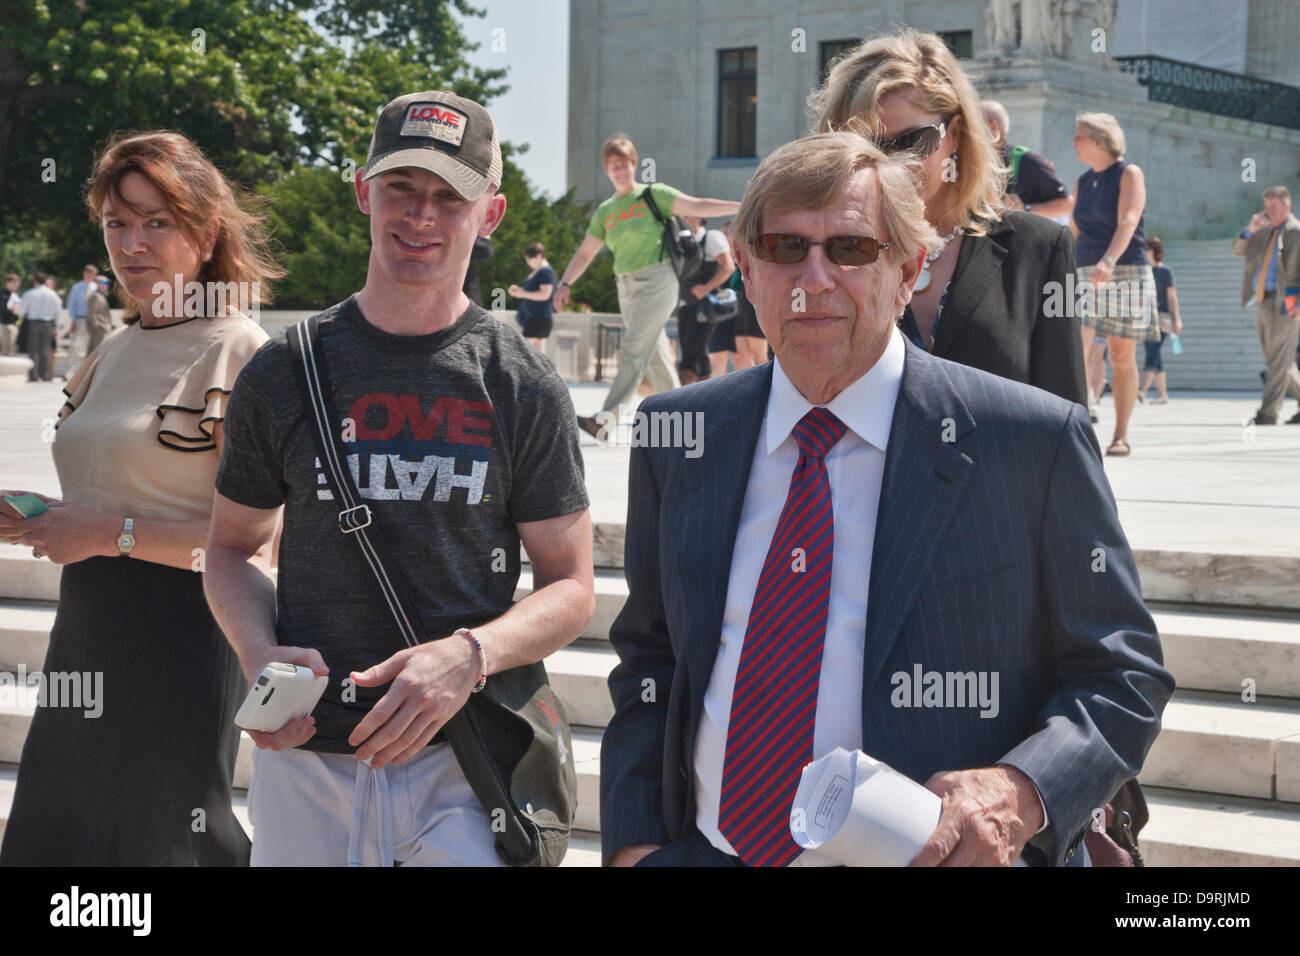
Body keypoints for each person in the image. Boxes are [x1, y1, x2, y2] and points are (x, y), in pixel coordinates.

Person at [600, 132, 1172, 868]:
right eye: (783, 248)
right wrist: (637, 848)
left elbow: (1121, 670)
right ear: (743, 270)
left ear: (908, 272)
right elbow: (650, 657)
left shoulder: (1030, 440)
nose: (814, 277)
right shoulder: (678, 436)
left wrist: (1020, 789)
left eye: (850, 249)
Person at [204, 90, 595, 866]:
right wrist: (258, 654)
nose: (421, 216)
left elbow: (571, 584)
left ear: (491, 215)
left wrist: (471, 655)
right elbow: (231, 548)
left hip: (465, 764)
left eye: (451, 197)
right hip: (307, 756)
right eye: (402, 189)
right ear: (363, 191)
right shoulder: (285, 370)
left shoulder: (520, 380)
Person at [0, 129, 280, 866]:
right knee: (53, 837)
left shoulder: (241, 348)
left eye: (157, 221)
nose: (133, 243)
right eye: (116, 223)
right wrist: (38, 514)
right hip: (86, 626)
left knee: (165, 844)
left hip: (185, 634)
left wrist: (109, 533)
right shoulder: (114, 346)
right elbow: (105, 483)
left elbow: (261, 545)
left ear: (206, 229)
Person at [811, 29, 1086, 407]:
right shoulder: (815, 253)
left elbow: (1066, 418)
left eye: (912, 142)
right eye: (866, 146)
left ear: (955, 134)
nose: (891, 163)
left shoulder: (1041, 248)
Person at [553, 134, 739, 437]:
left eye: (624, 165)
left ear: (634, 165)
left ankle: (606, 422)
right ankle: (687, 420)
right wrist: (564, 283)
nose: (619, 171)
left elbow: (698, 205)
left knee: (633, 351)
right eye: (613, 166)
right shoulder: (606, 211)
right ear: (606, 169)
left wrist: (741, 205)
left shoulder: (654, 195)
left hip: (658, 282)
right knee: (655, 356)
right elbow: (585, 252)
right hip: (625, 286)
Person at [1070, 111, 1160, 455]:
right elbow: (1074, 230)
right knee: (1074, 346)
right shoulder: (1082, 181)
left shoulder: (1129, 173)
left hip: (1123, 269)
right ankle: (1076, 425)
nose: (1074, 142)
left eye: (1079, 136)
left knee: (1122, 356)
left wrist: (1109, 259)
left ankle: (1120, 435)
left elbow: (1129, 219)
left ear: (1099, 140)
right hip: (1083, 270)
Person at [1232, 186, 1300, 425]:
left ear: (1287, 206)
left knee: (1276, 362)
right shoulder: (1265, 231)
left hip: (1287, 303)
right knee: (1278, 360)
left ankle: (1268, 412)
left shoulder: (1295, 231)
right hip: (1262, 300)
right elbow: (1238, 249)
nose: (1268, 212)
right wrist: (1251, 230)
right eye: (1266, 207)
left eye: (1274, 207)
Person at [981, 100, 1075, 224]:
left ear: (993, 128)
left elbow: (1067, 205)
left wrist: (1026, 209)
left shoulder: (1028, 162)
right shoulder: (966, 163)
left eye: (970, 126)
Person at [676, 217, 735, 384]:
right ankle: (706, 396)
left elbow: (728, 266)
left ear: (700, 217)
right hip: (685, 304)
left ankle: (679, 402)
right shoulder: (683, 240)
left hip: (705, 306)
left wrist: (706, 287)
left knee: (689, 356)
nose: (683, 217)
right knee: (699, 356)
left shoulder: (712, 237)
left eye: (688, 213)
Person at [1140, 237, 1182, 404]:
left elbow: (1172, 297)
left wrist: (1177, 319)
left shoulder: (1165, 272)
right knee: (1155, 356)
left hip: (1162, 318)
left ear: (1152, 251)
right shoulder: (1142, 270)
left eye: (1145, 249)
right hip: (1145, 318)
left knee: (1153, 352)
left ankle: (1142, 390)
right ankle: (1162, 395)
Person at [708, 269, 768, 378]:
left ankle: (772, 386)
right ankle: (747, 390)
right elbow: (735, 283)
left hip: (757, 300)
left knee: (759, 354)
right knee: (742, 355)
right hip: (742, 301)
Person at [508, 240, 556, 350]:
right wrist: (518, 291)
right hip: (534, 318)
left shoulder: (546, 272)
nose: (528, 262)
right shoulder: (538, 271)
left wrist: (522, 294)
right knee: (537, 358)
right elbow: (532, 291)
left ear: (539, 256)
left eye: (529, 259)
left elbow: (545, 295)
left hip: (538, 319)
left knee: (523, 353)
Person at [17, 272, 61, 381]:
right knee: (45, 350)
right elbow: (58, 312)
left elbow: (21, 311)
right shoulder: (52, 294)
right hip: (48, 324)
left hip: (33, 323)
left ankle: (33, 375)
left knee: (32, 350)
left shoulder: (30, 293)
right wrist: (56, 328)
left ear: (35, 281)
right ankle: (45, 375)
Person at [66, 264, 98, 362]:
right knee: (74, 345)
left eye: (92, 275)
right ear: (84, 274)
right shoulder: (76, 287)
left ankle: (86, 370)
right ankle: (69, 370)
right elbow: (71, 305)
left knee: (90, 345)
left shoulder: (95, 287)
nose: (90, 277)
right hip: (80, 319)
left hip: (93, 320)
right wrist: (74, 320)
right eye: (88, 274)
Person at [85, 274, 114, 356]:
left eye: (107, 283)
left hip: (102, 328)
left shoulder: (101, 296)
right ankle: (89, 369)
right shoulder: (94, 296)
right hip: (98, 328)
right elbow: (91, 313)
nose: (106, 285)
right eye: (104, 283)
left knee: (99, 352)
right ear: (97, 284)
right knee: (94, 352)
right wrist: (95, 326)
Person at [1, 274, 19, 356]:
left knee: (12, 351)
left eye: (18, 283)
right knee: (6, 352)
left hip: (13, 324)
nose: (17, 285)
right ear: (8, 282)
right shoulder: (3, 294)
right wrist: (13, 310)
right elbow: (2, 309)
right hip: (4, 324)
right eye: (14, 283)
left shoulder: (15, 295)